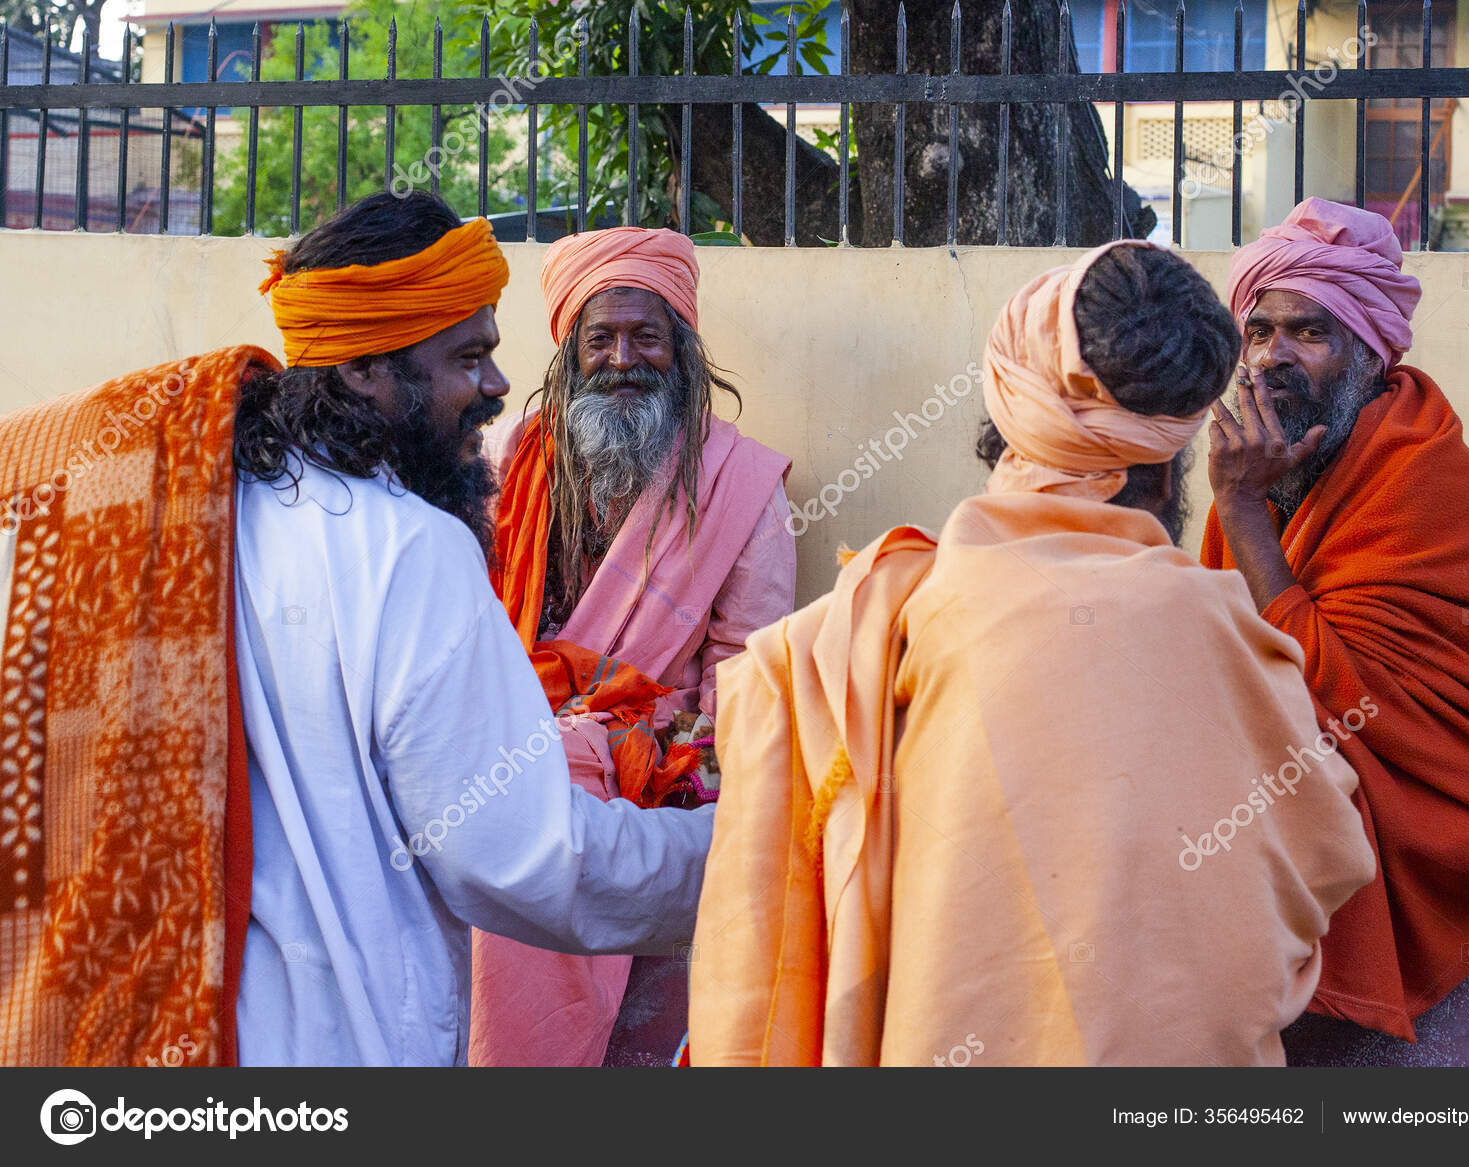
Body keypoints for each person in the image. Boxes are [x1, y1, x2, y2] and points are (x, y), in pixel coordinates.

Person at [0, 191, 715, 1067]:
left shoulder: (179, 511)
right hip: (332, 1041)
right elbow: (524, 855)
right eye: (468, 357)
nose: (494, 386)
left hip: (153, 1032)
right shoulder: (409, 548)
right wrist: (732, 848)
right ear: (365, 371)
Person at [687, 241, 1376, 1066]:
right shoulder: (1212, 621)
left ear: (1008, 418)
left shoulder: (889, 619)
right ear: (1172, 461)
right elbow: (1322, 850)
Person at [1203, 197, 1469, 1041]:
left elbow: (1341, 691)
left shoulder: (1421, 475)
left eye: (1309, 333)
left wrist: (1241, 511)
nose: (1275, 357)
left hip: (1434, 789)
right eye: (1260, 331)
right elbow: (1219, 647)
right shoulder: (1257, 462)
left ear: (1367, 354)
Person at [470, 226, 794, 1066]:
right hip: (523, 727)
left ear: (679, 348)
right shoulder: (520, 458)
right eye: (601, 338)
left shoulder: (742, 483)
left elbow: (745, 664)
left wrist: (711, 766)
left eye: (645, 337)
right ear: (570, 351)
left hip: (659, 748)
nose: (623, 359)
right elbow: (480, 613)